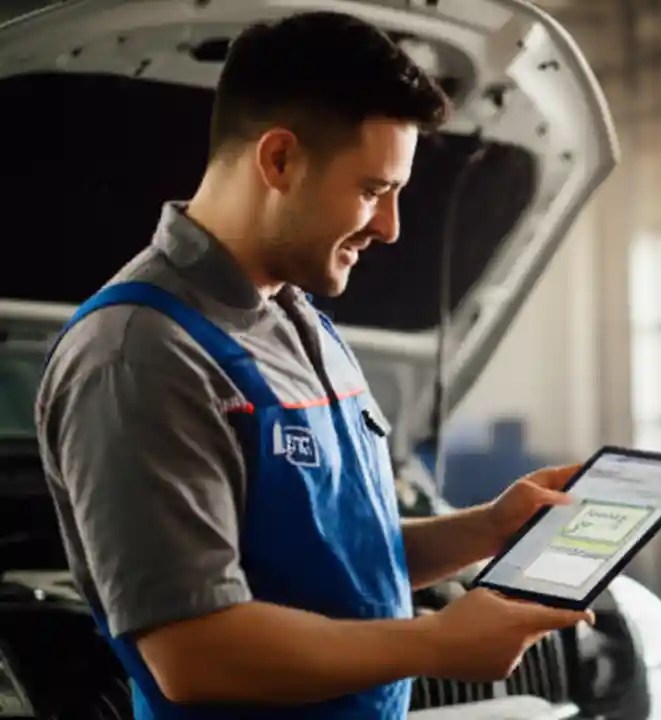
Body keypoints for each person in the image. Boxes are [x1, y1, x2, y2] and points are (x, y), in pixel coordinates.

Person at [34, 11, 590, 719]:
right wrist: (435, 644)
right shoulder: (138, 354)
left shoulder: (302, 325)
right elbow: (193, 652)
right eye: (373, 190)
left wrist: (487, 528)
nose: (389, 227)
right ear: (279, 161)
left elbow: (340, 563)